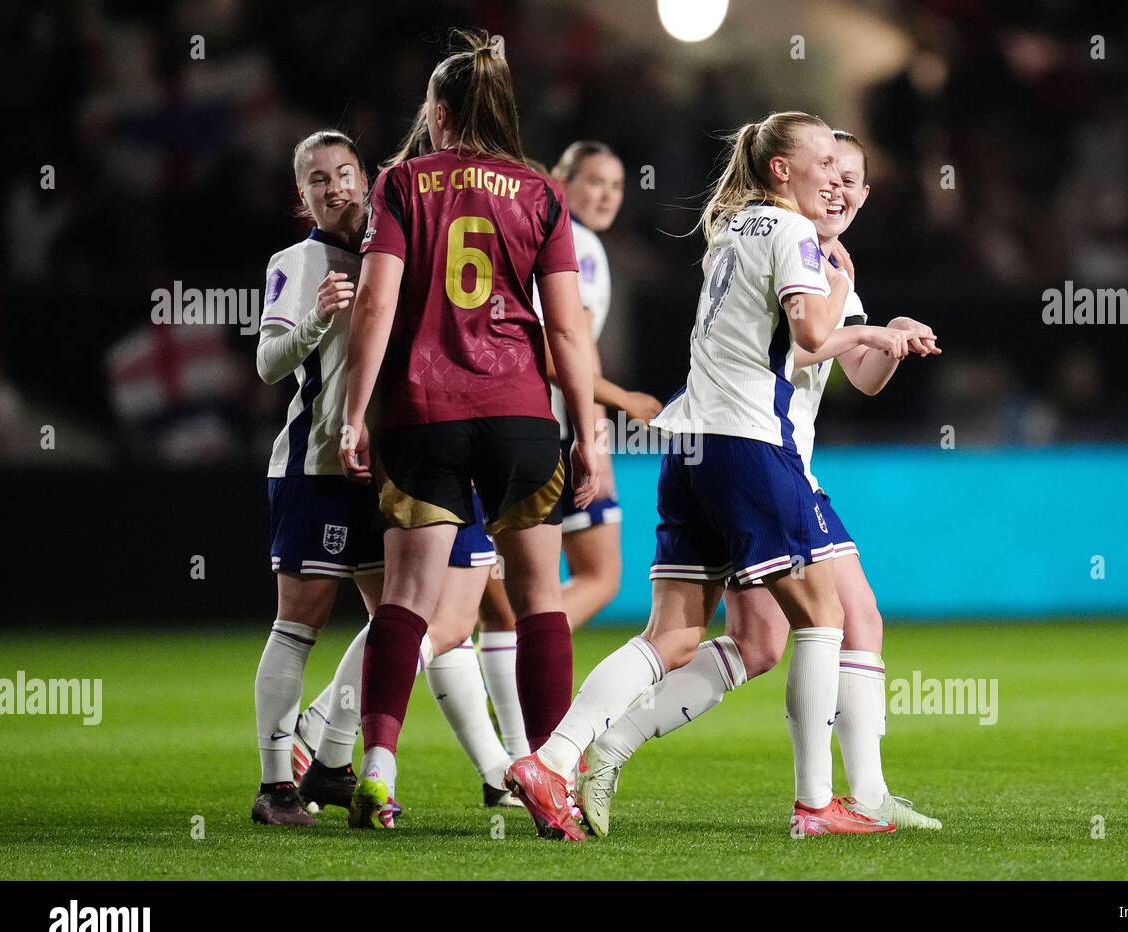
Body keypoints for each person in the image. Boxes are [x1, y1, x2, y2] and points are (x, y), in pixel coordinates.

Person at [506, 111, 897, 840]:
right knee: (826, 618)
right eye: (822, 162)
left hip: (689, 446)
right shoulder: (795, 240)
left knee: (678, 636)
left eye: (848, 174)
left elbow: (823, 347)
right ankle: (819, 805)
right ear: (784, 169)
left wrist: (876, 329)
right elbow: (812, 337)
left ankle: (556, 757)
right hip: (750, 445)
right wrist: (869, 323)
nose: (833, 177)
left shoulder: (736, 226)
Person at [339, 29, 599, 830]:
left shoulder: (401, 183)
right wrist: (587, 430)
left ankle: (377, 767)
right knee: (537, 600)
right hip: (521, 414)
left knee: (408, 602)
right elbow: (566, 330)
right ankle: (551, 775)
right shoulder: (539, 193)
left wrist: (355, 412)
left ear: (441, 113)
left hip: (424, 413)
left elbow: (377, 304)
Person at [476, 140, 663, 760]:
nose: (607, 194)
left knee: (538, 591)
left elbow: (577, 343)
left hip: (538, 427)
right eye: (593, 182)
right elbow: (562, 353)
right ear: (562, 181)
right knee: (540, 596)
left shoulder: (568, 241)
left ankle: (517, 687)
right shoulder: (575, 244)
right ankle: (537, 717)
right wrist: (619, 408)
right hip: (551, 434)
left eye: (616, 184)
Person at [252, 130, 381, 826]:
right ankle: (276, 786)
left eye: (343, 173)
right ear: (301, 197)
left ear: (364, 177)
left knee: (399, 622)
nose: (335, 187)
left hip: (377, 471)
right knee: (300, 623)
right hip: (315, 465)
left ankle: (331, 759)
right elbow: (269, 364)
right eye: (318, 180)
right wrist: (313, 320)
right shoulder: (298, 262)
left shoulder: (386, 252)